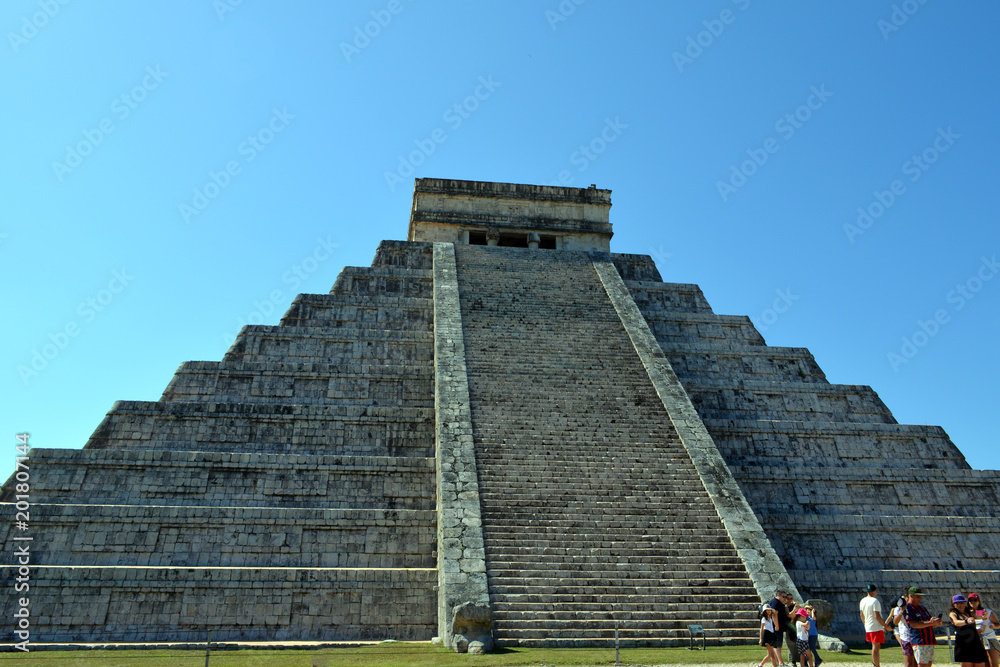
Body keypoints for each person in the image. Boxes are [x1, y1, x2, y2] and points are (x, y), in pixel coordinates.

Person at [904, 586, 943, 667]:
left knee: (929, 664)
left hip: (929, 640)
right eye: (918, 597)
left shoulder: (922, 607)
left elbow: (928, 622)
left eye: (921, 597)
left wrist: (936, 622)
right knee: (922, 664)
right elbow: (914, 624)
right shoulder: (908, 607)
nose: (920, 599)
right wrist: (930, 623)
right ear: (911, 596)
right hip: (920, 641)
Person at [950, 594, 988, 667]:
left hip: (975, 642)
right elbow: (956, 622)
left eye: (962, 603)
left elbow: (980, 615)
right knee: (967, 664)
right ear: (954, 604)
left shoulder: (969, 612)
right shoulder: (953, 613)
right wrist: (966, 621)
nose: (961, 605)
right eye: (958, 603)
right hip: (963, 643)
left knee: (980, 663)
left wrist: (984, 615)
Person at [861, 584, 892, 667]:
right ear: (875, 591)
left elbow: (862, 615)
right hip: (875, 627)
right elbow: (877, 616)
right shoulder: (875, 601)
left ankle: (876, 664)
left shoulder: (863, 600)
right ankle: (876, 665)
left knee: (874, 646)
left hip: (868, 626)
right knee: (876, 647)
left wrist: (865, 624)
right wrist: (886, 626)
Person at [967, 593, 1000, 667]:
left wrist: (993, 626)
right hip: (977, 640)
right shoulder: (968, 613)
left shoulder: (986, 611)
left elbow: (998, 624)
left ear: (979, 601)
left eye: (975, 600)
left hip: (990, 638)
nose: (973, 602)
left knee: (993, 663)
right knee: (984, 663)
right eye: (970, 600)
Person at [891, 591, 916, 667]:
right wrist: (901, 611)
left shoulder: (914, 607)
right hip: (906, 638)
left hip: (915, 637)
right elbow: (895, 622)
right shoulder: (898, 608)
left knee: (916, 662)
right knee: (908, 663)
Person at [785, 592, 801, 665]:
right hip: (789, 627)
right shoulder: (785, 607)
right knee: (791, 645)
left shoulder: (794, 605)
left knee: (799, 644)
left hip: (795, 627)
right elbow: (789, 615)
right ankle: (793, 661)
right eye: (788, 598)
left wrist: (797, 607)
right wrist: (794, 609)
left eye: (791, 598)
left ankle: (802, 660)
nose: (790, 600)